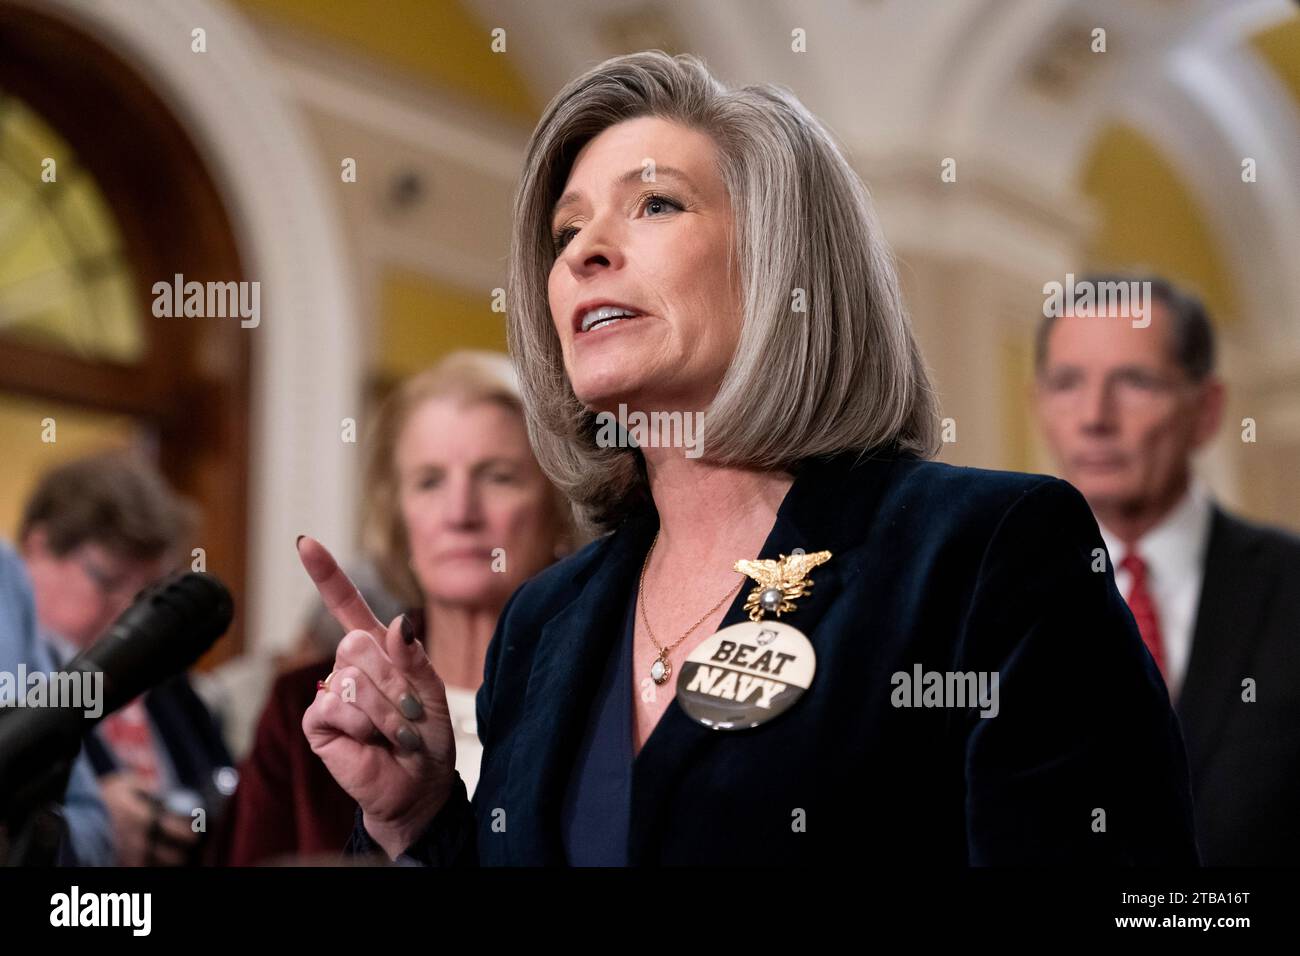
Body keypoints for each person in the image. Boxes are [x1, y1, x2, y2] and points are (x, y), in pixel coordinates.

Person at [301, 52, 1198, 866]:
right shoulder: (547, 621)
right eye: (567, 232)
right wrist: (417, 819)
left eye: (656, 204)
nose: (586, 252)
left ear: (780, 261)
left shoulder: (983, 553)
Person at [223, 351, 575, 864]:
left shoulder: (604, 692)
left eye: (498, 476)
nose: (460, 513)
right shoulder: (308, 706)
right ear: (398, 515)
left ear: (559, 506)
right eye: (429, 481)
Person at [1035, 274, 1300, 865]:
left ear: (1206, 410)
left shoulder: (1289, 588)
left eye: (1135, 382)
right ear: (1039, 405)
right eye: (1067, 383)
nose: (1095, 417)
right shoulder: (987, 601)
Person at [19, 450, 233, 866]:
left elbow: (222, 795)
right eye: (108, 580)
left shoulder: (170, 683)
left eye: (147, 595)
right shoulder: (15, 673)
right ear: (37, 549)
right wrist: (83, 826)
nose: (127, 613)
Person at [0, 539, 114, 866]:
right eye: (108, 580)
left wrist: (29, 836)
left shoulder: (6, 575)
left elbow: (93, 824)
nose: (119, 603)